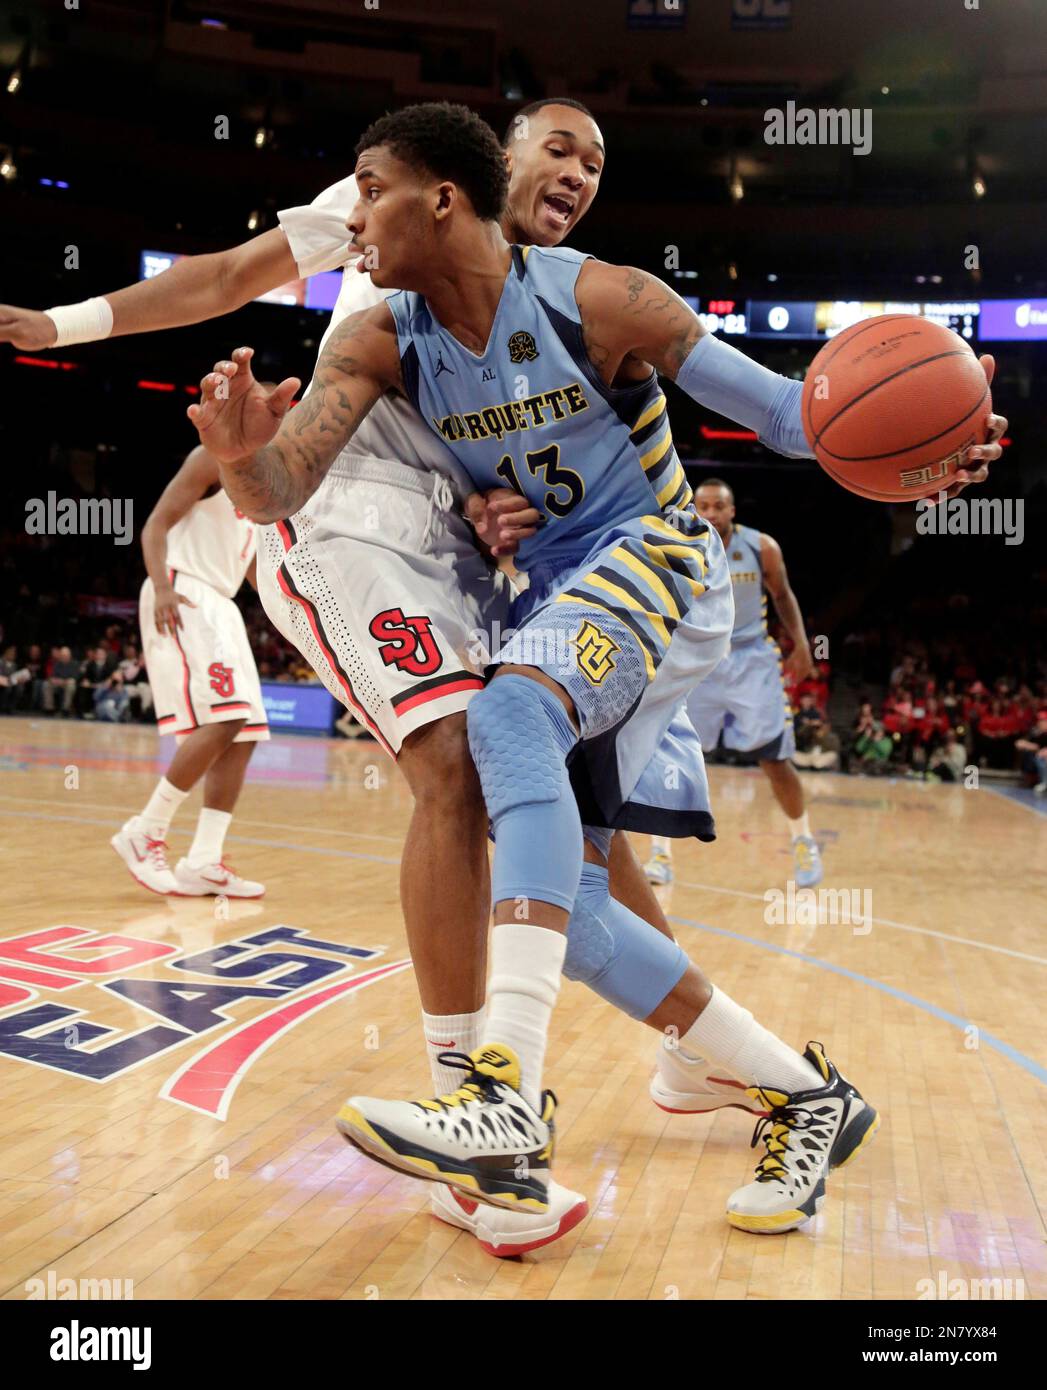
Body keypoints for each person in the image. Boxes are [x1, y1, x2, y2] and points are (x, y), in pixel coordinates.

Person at [184, 101, 991, 1233]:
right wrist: (235, 455)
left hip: (650, 554)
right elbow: (280, 492)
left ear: (443, 198)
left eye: (370, 190)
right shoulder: (377, 341)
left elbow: (790, 418)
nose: (350, 217)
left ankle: (500, 1094)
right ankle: (805, 1093)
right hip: (547, 598)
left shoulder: (601, 295)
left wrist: (932, 449)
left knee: (506, 726)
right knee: (565, 908)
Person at [645, 479, 824, 889]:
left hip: (750, 658)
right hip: (696, 657)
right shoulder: (675, 544)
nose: (709, 513)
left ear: (732, 510)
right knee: (669, 756)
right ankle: (660, 856)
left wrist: (799, 642)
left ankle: (804, 842)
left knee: (775, 759)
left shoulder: (762, 548)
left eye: (717, 506)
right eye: (702, 505)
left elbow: (783, 595)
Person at [109, 445, 269, 898]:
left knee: (246, 731)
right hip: (184, 589)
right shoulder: (211, 457)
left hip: (222, 603)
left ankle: (203, 859)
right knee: (227, 716)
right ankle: (146, 830)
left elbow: (254, 569)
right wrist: (161, 588)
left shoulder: (265, 486)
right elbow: (154, 525)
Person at [41, 646, 79, 716]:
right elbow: (52, 677)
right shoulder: (57, 664)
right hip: (58, 683)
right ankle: (49, 708)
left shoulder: (74, 664)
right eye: (62, 655)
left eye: (65, 655)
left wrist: (64, 681)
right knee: (46, 684)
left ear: (69, 655)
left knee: (71, 686)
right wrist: (55, 680)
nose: (64, 657)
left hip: (68, 683)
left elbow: (74, 678)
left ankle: (65, 709)